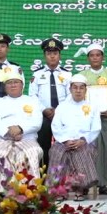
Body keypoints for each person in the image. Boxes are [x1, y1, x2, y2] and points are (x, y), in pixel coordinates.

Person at [0, 69, 44, 192]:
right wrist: (8, 132)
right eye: (9, 83)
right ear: (5, 87)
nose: (13, 85)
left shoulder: (32, 101)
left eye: (16, 82)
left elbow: (37, 122)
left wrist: (20, 129)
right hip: (2, 139)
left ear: (22, 85)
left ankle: (27, 191)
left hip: (26, 139)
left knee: (32, 152)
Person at [49, 74, 101, 200]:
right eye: (75, 87)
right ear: (70, 89)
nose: (78, 91)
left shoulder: (93, 107)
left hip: (84, 142)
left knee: (82, 152)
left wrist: (83, 140)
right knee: (56, 151)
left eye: (81, 88)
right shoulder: (62, 107)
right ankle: (59, 189)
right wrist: (66, 140)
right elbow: (55, 126)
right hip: (64, 142)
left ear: (85, 90)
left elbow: (96, 128)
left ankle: (80, 188)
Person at [76, 43, 107, 194]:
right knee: (87, 149)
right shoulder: (82, 75)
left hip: (106, 118)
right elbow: (79, 94)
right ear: (88, 58)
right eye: (92, 55)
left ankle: (104, 184)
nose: (95, 58)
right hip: (87, 119)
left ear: (103, 57)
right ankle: (86, 182)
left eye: (98, 55)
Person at [28, 38, 70, 167]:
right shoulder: (37, 74)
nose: (52, 56)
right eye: (49, 53)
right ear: (44, 56)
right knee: (43, 147)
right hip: (43, 116)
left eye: (55, 53)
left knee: (62, 147)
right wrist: (44, 109)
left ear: (60, 55)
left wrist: (59, 111)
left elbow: (70, 95)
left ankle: (61, 176)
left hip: (62, 116)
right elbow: (32, 96)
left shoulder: (67, 74)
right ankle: (43, 177)